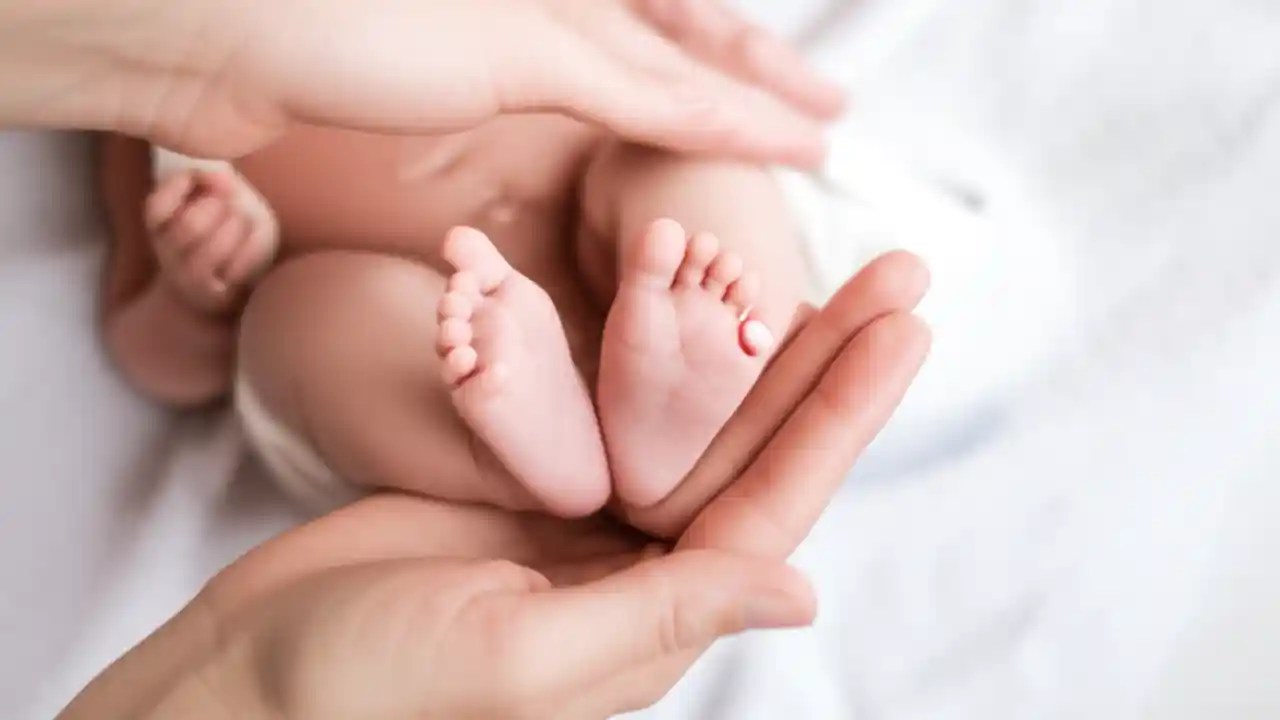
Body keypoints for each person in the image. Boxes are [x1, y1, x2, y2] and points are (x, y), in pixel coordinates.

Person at [0, 0, 930, 715]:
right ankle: (528, 450)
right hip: (443, 353)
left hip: (625, 236)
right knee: (300, 315)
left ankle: (698, 403)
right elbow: (156, 357)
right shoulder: (138, 95)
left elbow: (676, 54)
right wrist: (196, 285)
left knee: (681, 168)